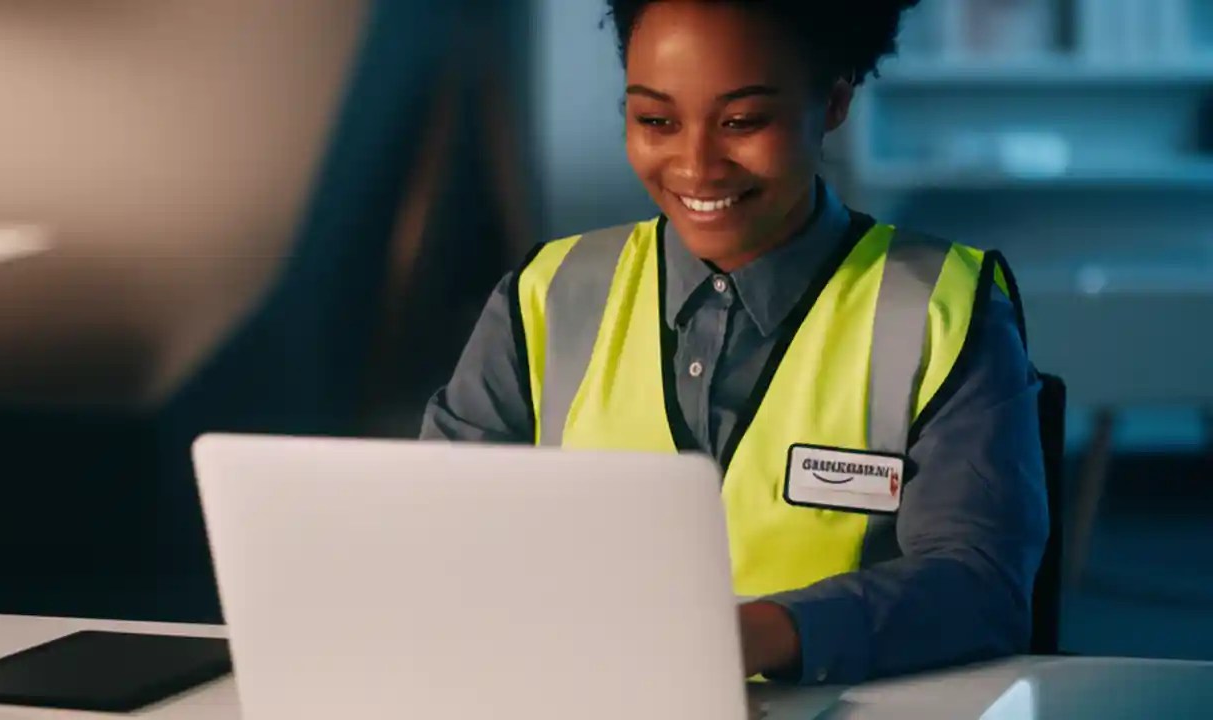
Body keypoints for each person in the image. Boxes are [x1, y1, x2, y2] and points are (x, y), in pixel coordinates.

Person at [421, 0, 1049, 686]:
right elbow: (442, 533)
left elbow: (978, 584)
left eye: (743, 122)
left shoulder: (941, 307)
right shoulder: (546, 294)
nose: (697, 166)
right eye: (656, 120)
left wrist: (748, 638)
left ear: (833, 102)